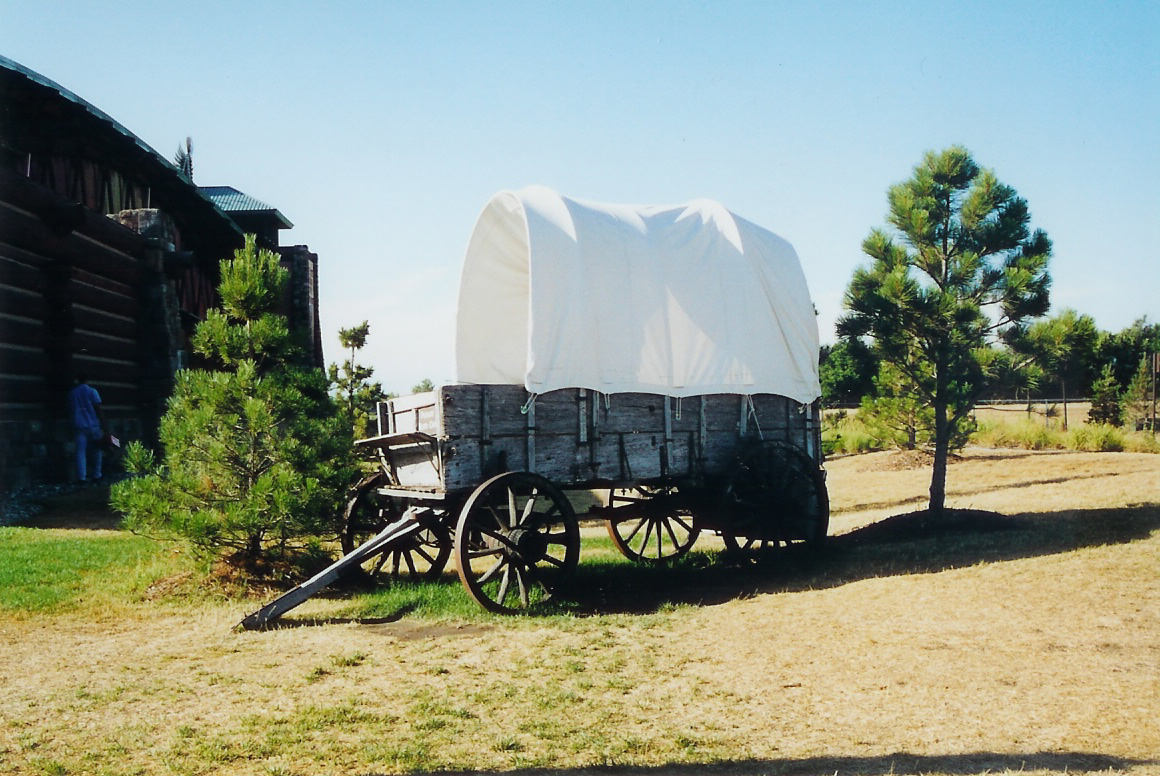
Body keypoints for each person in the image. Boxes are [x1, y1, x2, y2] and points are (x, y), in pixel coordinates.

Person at [68, 372, 106, 483]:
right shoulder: (92, 391)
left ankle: (82, 477)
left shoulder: (72, 393)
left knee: (80, 452)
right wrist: (104, 424)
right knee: (97, 450)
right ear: (87, 380)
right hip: (93, 425)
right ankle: (97, 475)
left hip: (79, 425)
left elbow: (70, 410)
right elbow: (98, 409)